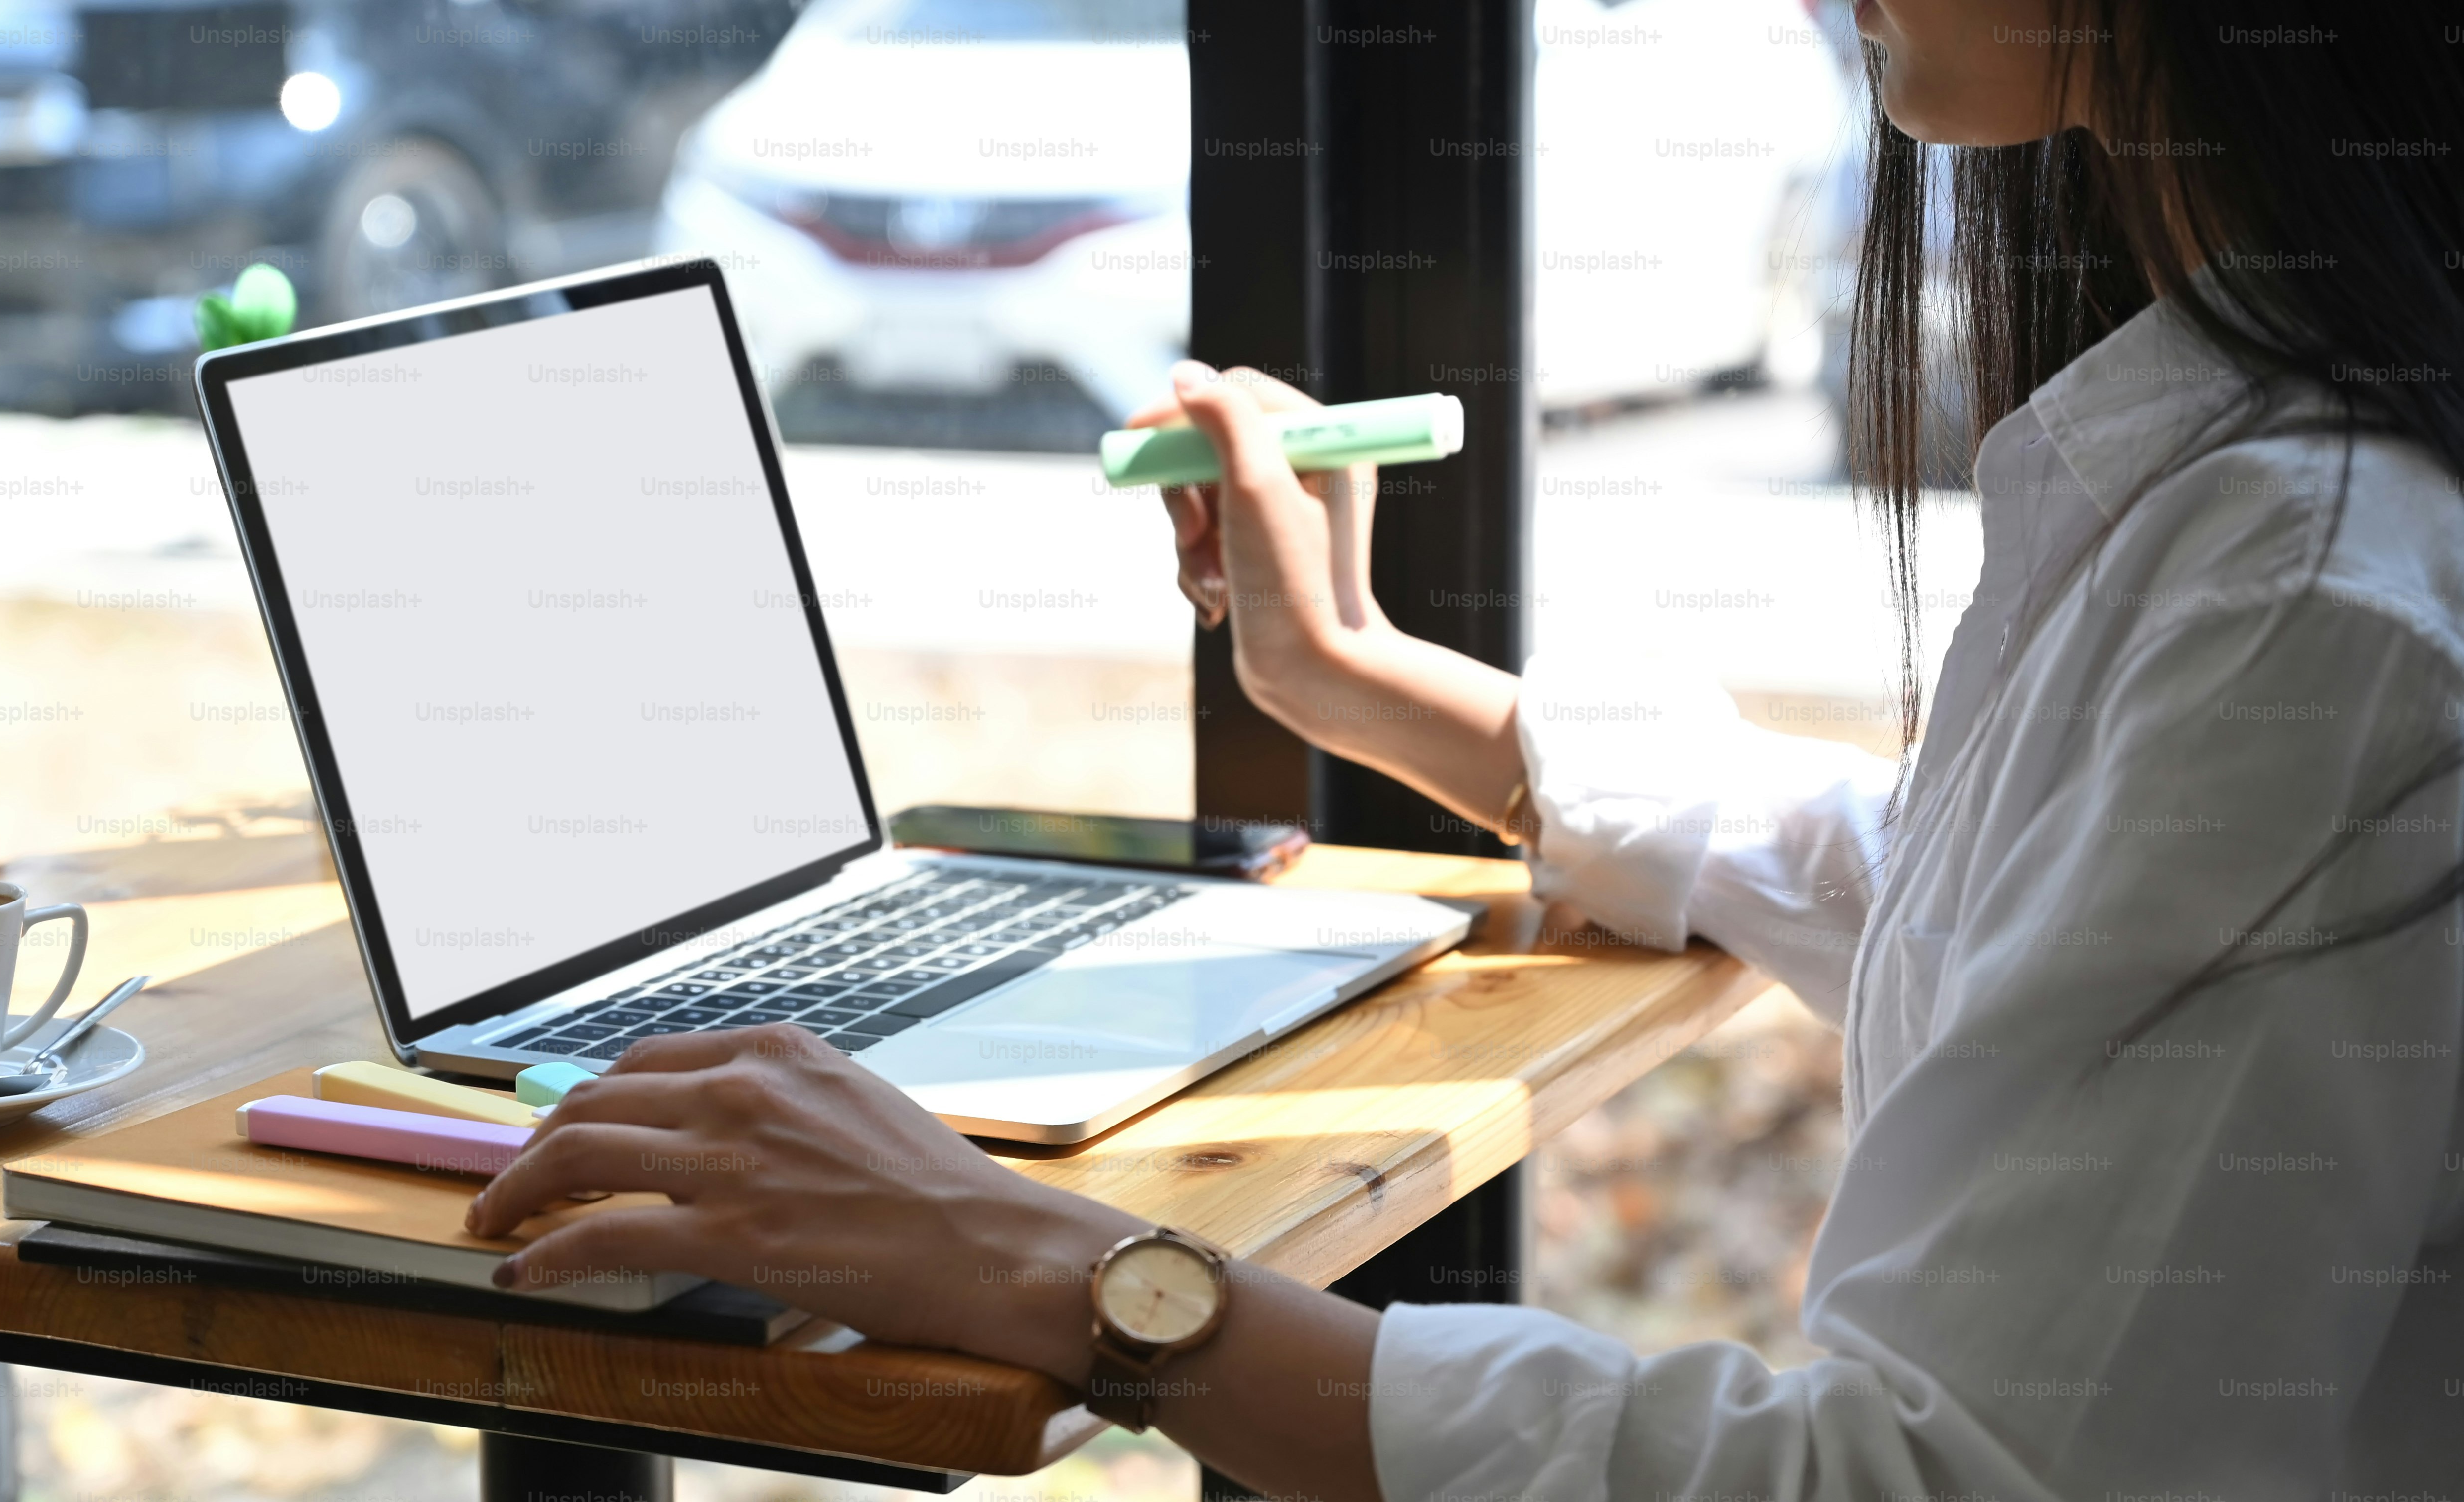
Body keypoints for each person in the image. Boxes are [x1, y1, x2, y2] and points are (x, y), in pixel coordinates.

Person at [463, 2, 2464, 1496]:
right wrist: (1362, 680)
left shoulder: (2306, 581)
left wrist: (1067, 1274)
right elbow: (2042, 907)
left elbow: (1909, 1480)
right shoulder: (2258, 466)